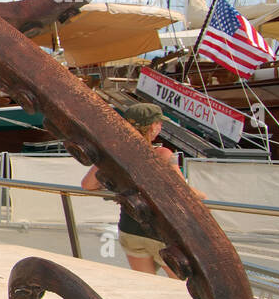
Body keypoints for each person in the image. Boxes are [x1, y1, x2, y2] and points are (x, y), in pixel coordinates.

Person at [80, 102, 203, 277]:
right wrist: (203, 195)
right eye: (159, 123)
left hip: (131, 229)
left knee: (146, 283)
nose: (160, 127)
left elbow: (88, 185)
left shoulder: (114, 152)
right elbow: (182, 192)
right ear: (151, 127)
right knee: (179, 289)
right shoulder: (163, 155)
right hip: (161, 233)